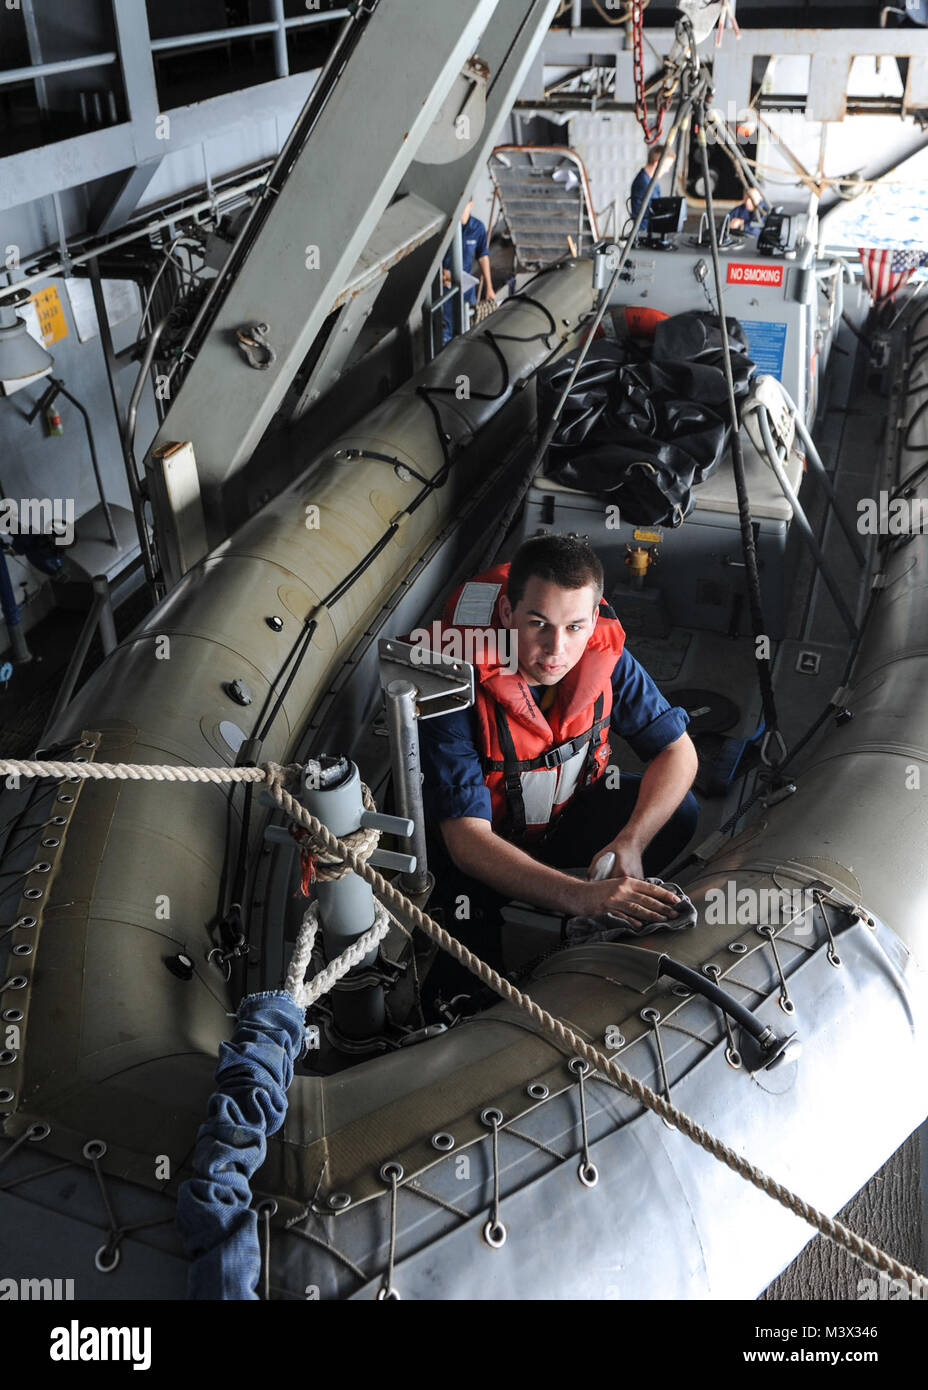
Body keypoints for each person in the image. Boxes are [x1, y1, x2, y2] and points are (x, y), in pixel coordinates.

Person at [417, 534, 699, 1004]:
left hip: (560, 811)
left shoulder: (604, 658)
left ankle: (582, 924)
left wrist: (630, 842)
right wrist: (581, 895)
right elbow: (466, 841)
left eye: (574, 627)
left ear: (592, 622)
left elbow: (680, 753)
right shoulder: (450, 681)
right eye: (538, 624)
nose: (556, 650)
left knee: (681, 812)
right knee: (466, 987)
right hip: (474, 845)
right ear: (508, 614)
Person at [441, 197, 495, 345]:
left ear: (470, 205)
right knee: (446, 332)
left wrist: (489, 288)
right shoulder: (448, 228)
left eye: (464, 205)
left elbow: (483, 256)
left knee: (469, 328)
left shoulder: (477, 228)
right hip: (445, 289)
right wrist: (441, 273)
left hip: (466, 289)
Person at [629, 144, 674, 233]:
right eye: (666, 167)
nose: (667, 170)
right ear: (657, 164)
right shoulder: (644, 183)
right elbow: (646, 215)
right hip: (645, 231)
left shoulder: (649, 180)